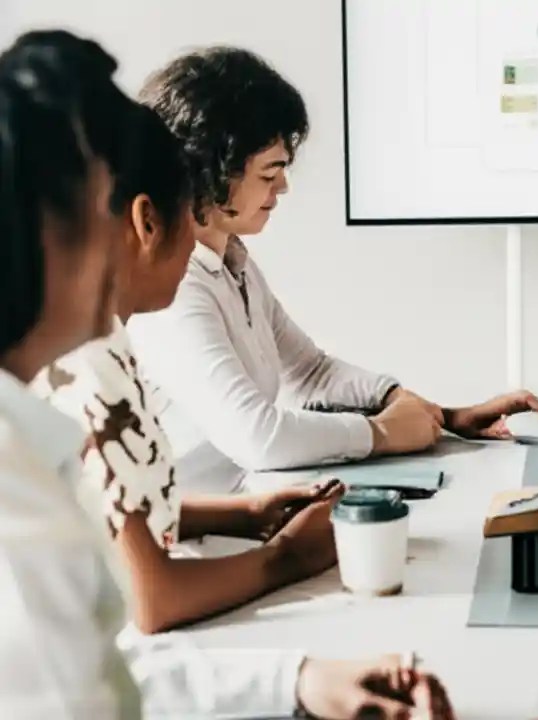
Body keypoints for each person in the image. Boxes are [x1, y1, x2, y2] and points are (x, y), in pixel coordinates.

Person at [0, 30, 452, 719]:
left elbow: (107, 671)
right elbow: (133, 620)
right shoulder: (37, 457)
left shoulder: (35, 443)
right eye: (105, 209)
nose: (125, 235)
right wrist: (286, 562)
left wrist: (295, 682)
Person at [126, 47, 538, 493]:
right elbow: (258, 437)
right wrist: (383, 435)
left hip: (242, 513)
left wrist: (436, 416)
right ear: (211, 172)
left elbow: (310, 372)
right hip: (194, 542)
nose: (284, 187)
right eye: (270, 174)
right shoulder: (173, 290)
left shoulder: (232, 262)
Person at [31, 104, 344, 635]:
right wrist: (291, 555)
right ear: (147, 221)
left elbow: (109, 509)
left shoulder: (97, 340)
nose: (206, 247)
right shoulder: (88, 364)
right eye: (195, 215)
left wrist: (244, 514)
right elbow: (153, 599)